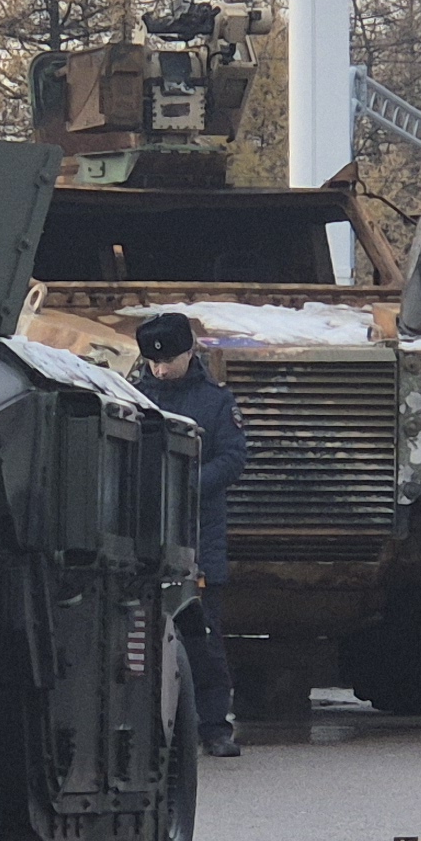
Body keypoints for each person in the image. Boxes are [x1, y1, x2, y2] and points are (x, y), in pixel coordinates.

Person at [133, 310, 248, 757]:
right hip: (145, 535)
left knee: (202, 638)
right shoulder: (134, 396)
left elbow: (233, 458)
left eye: (169, 361)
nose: (161, 370)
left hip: (199, 537)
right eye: (153, 362)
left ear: (189, 353)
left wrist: (185, 485)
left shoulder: (216, 402)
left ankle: (214, 726)